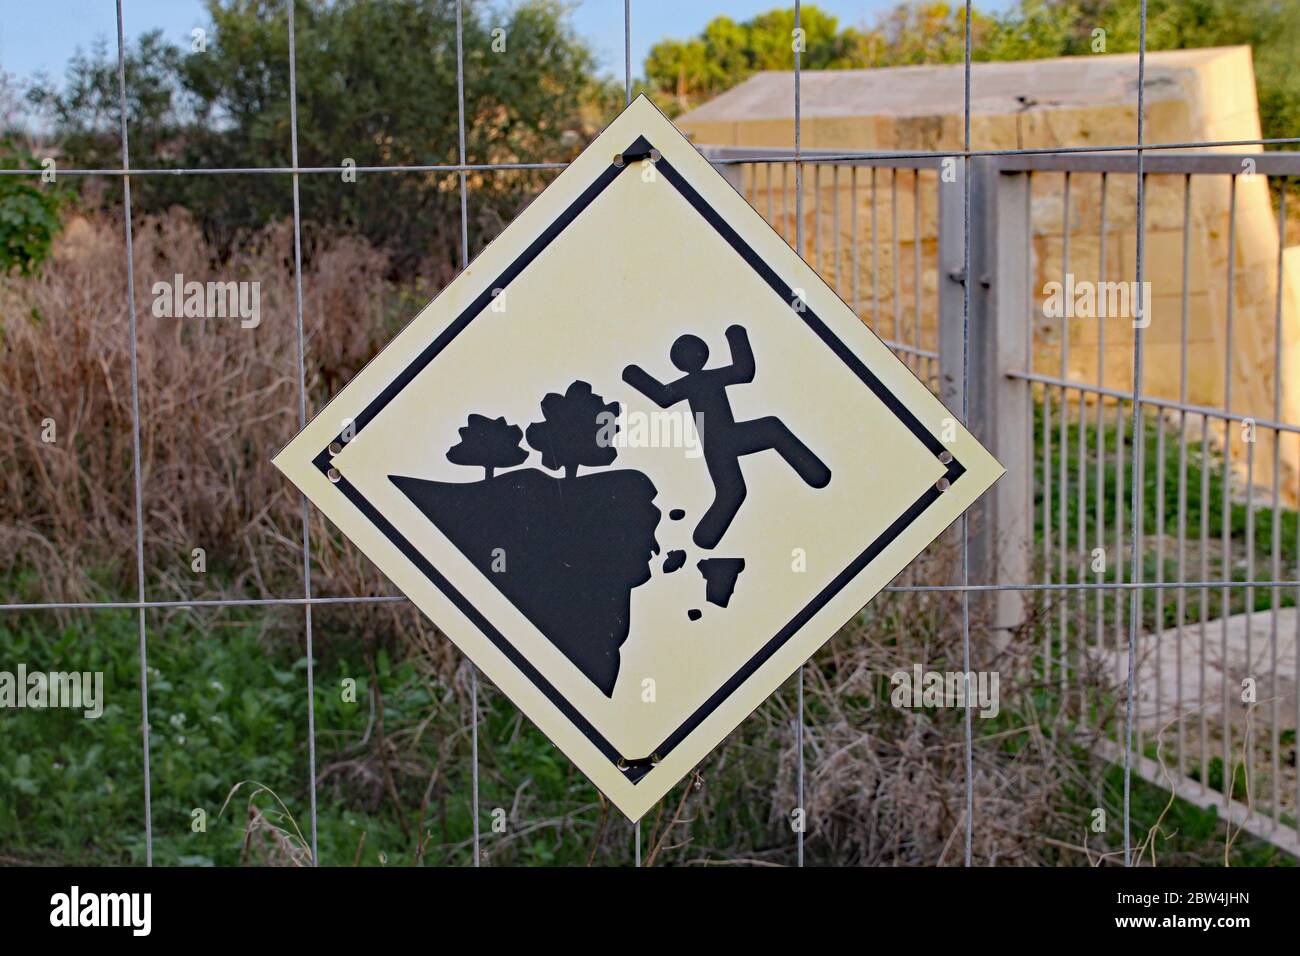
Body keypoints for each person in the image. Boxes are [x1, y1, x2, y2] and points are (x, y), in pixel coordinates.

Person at [623, 325, 830, 549]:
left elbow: (663, 395)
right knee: (766, 436)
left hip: (716, 443)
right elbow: (743, 369)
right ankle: (705, 537)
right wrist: (735, 335)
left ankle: (816, 473)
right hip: (724, 439)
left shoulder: (691, 383)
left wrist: (633, 374)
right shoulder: (702, 380)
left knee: (733, 489)